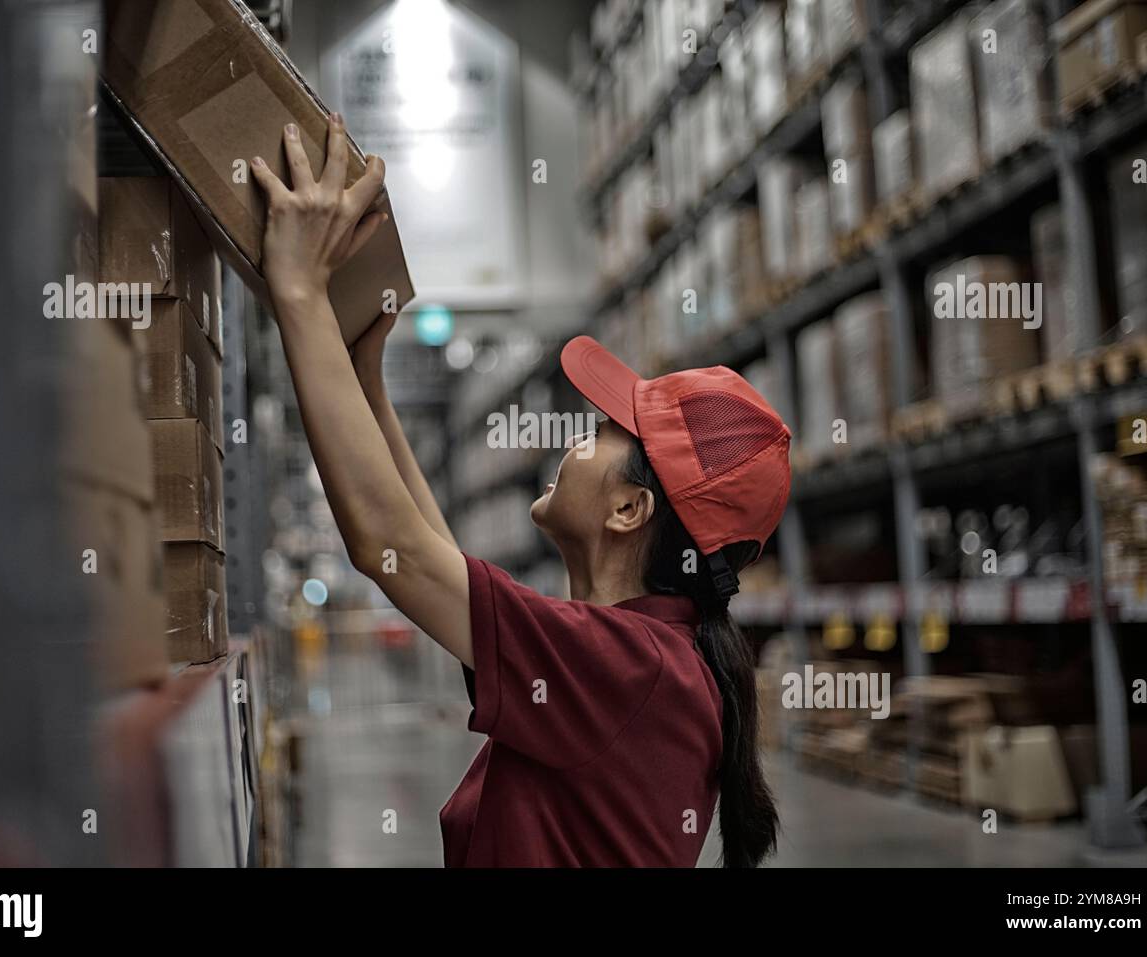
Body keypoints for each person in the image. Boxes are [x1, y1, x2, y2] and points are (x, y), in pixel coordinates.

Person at [251, 115, 790, 867]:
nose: (576, 437)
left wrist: (300, 292)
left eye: (602, 435)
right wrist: (366, 374)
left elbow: (392, 548)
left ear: (630, 508)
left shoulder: (628, 665)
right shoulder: (628, 653)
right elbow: (429, 549)